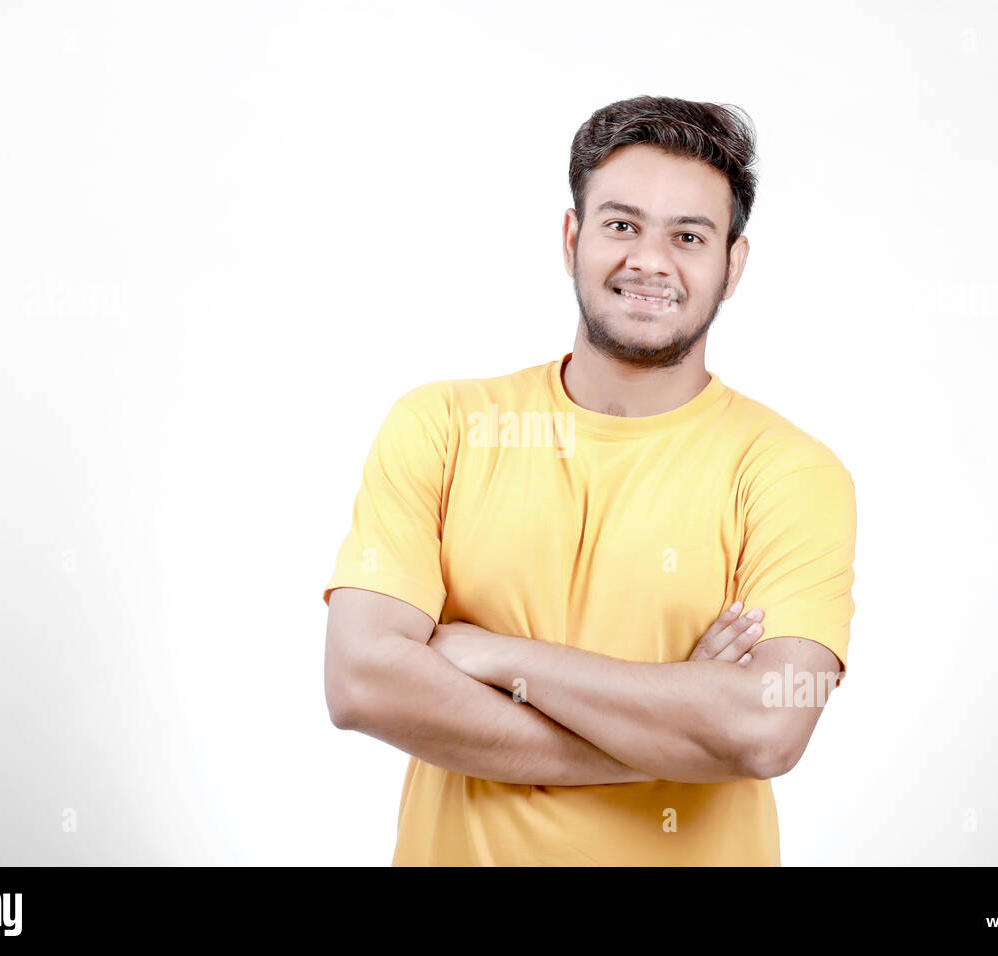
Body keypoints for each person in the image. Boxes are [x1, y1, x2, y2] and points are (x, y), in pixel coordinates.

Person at [322, 94, 857, 866]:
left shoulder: (788, 473)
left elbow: (767, 726)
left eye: (689, 235)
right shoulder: (442, 425)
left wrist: (495, 655)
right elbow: (363, 683)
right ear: (572, 236)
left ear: (732, 264)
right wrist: (671, 727)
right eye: (620, 224)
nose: (649, 261)